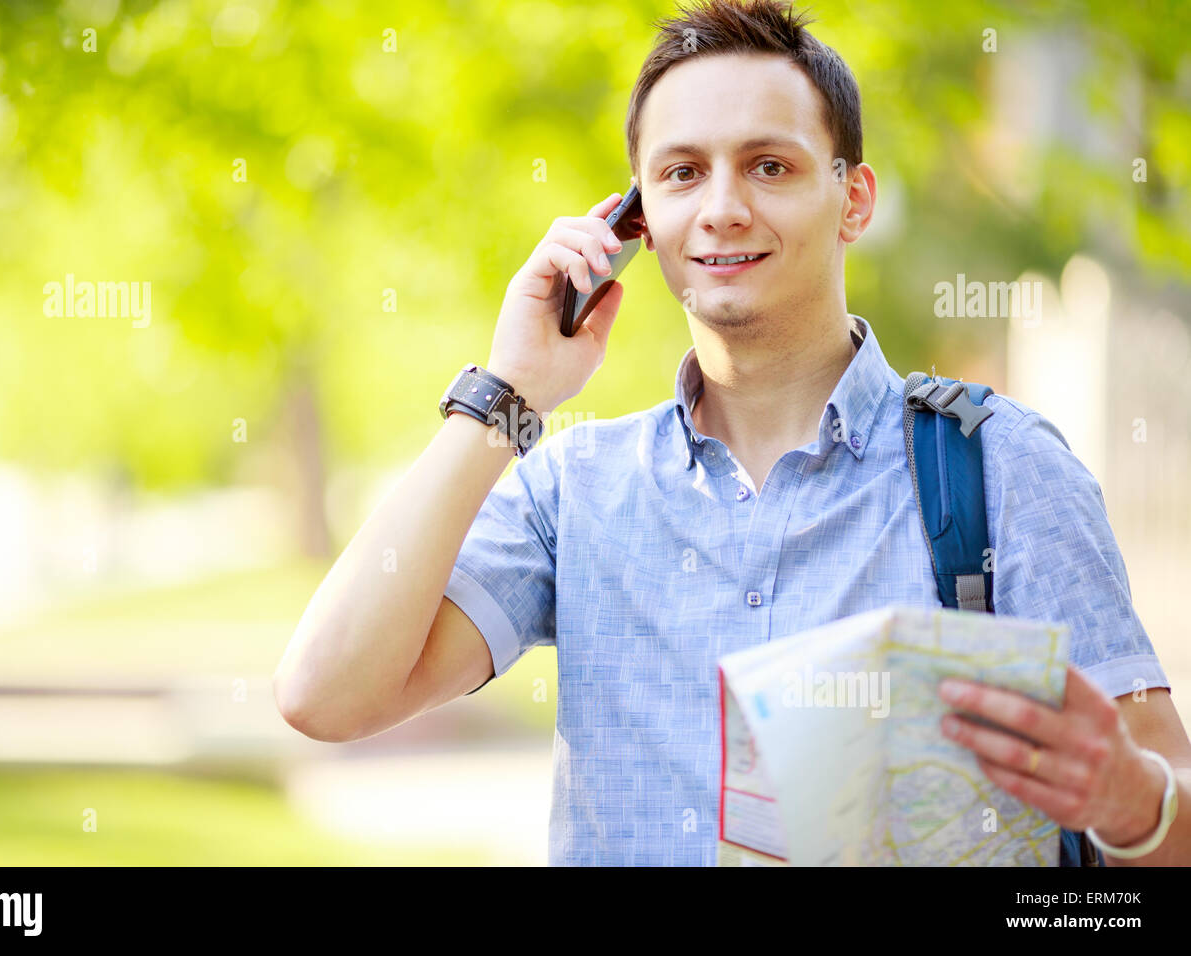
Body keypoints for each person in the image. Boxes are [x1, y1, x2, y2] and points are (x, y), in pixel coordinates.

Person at [273, 0, 1190, 866]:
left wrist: (1126, 798)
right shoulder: (573, 488)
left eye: (770, 166)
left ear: (855, 200)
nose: (721, 208)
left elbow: (1169, 804)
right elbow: (326, 696)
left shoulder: (1002, 468)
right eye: (680, 173)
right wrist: (508, 393)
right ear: (636, 220)